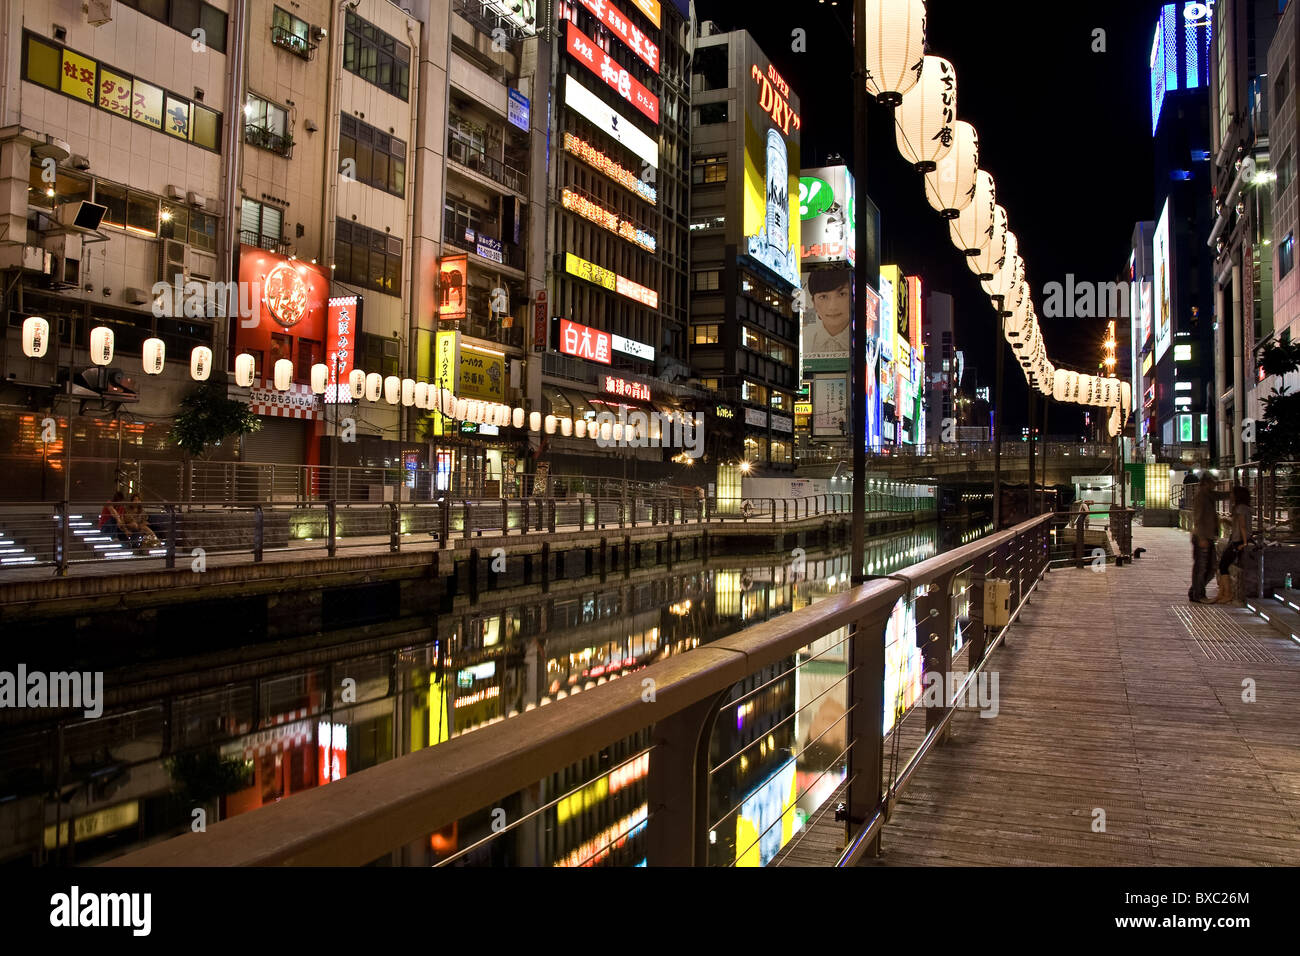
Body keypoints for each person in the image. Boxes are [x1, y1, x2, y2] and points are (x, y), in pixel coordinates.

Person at [1189, 473, 1230, 604]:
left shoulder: (1209, 495)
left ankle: (1195, 591)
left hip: (1208, 536)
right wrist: (1201, 537)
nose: (1215, 485)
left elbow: (1220, 495)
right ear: (1206, 483)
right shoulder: (1201, 497)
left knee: (1211, 567)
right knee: (1201, 567)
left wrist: (1233, 492)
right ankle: (1198, 594)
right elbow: (1198, 518)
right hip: (1202, 536)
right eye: (1213, 483)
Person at [1215, 486, 1252, 604]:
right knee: (1222, 565)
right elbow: (1238, 525)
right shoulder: (1244, 508)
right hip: (1237, 540)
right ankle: (1222, 593)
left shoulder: (1240, 508)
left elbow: (1242, 526)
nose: (1230, 496)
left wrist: (1245, 543)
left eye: (1232, 493)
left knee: (1223, 565)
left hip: (1238, 541)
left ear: (1237, 496)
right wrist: (1226, 521)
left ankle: (1227, 594)